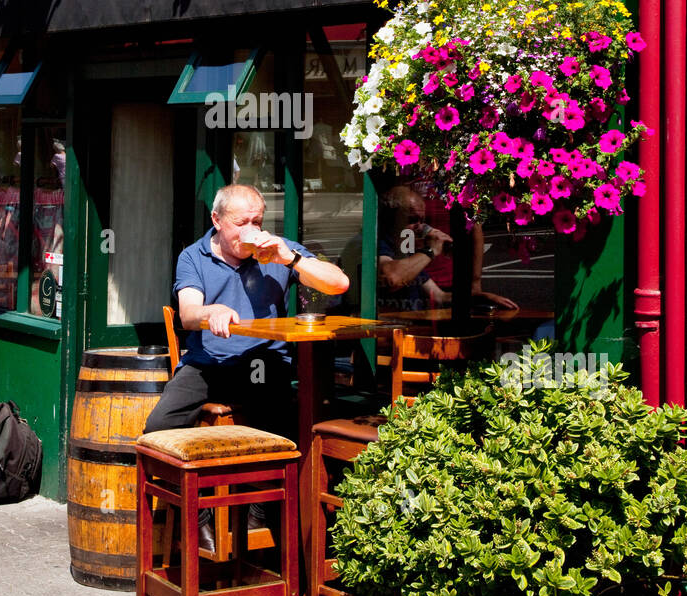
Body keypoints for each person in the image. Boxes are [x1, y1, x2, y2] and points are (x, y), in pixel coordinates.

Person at [144, 183, 349, 437]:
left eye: (257, 222)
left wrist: (291, 259)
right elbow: (188, 314)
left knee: (274, 429)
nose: (250, 230)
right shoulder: (194, 256)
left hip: (262, 362)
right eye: (241, 223)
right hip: (209, 364)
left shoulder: (278, 250)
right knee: (157, 428)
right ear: (217, 220)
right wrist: (211, 312)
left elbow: (339, 284)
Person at [378, 182, 518, 313]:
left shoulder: (406, 250)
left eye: (422, 221)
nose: (420, 227)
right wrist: (430, 251)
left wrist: (481, 297)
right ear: (392, 218)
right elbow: (392, 278)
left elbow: (440, 296)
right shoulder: (381, 244)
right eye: (412, 220)